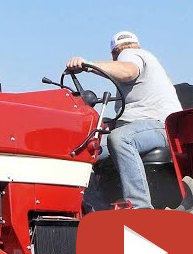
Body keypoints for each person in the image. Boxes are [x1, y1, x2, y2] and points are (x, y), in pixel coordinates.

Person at [68, 31, 183, 210]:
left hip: (161, 127)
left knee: (120, 138)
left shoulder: (132, 55)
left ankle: (140, 208)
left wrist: (88, 65)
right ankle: (93, 209)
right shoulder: (146, 68)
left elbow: (128, 71)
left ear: (115, 54)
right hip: (142, 128)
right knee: (83, 149)